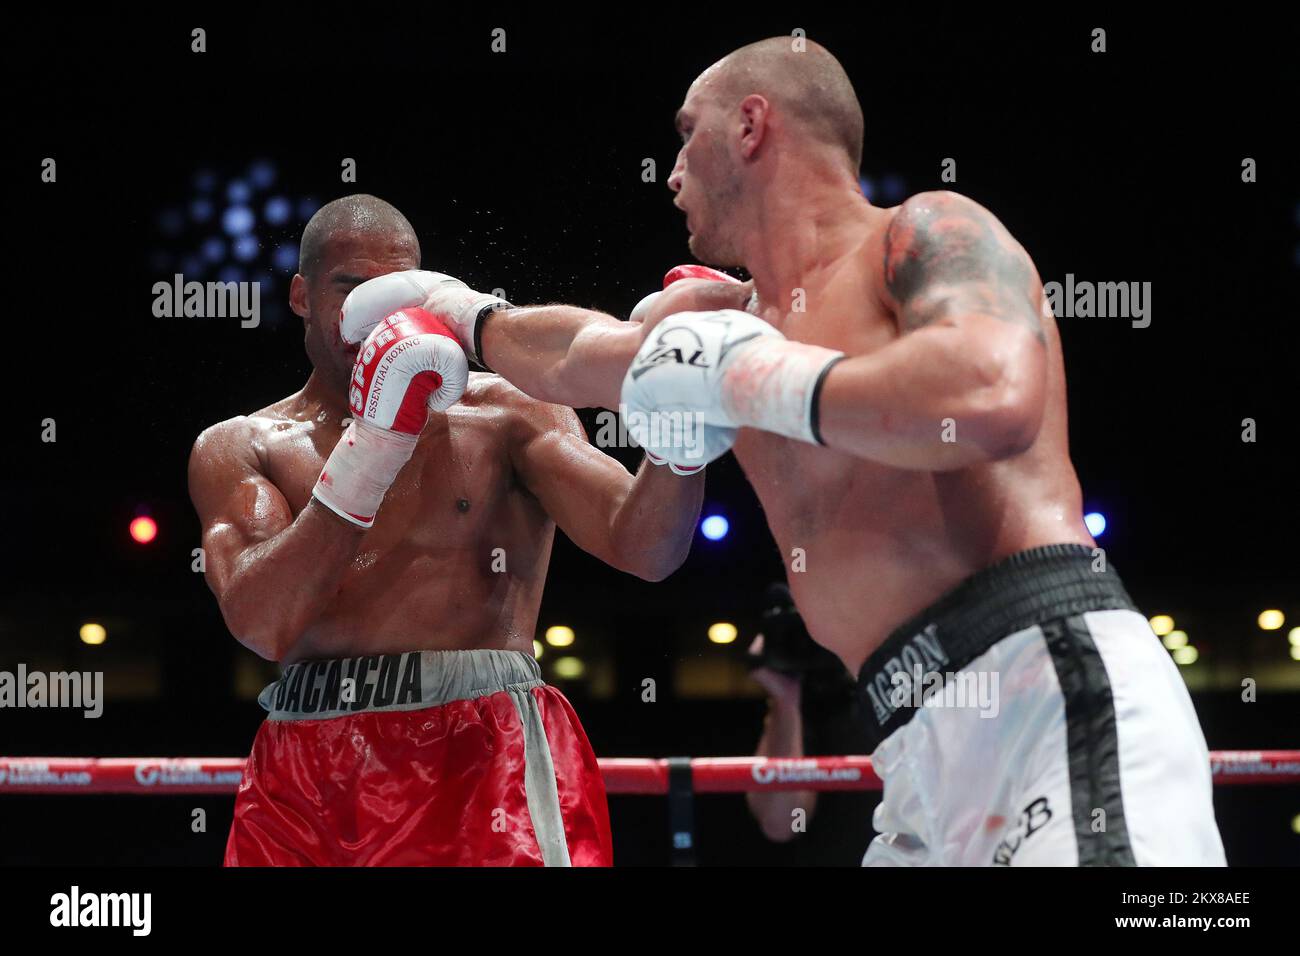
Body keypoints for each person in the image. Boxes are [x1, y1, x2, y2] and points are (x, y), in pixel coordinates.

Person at [361, 39, 1226, 865]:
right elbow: (578, 357)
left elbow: (989, 393)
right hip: (912, 749)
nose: (668, 173)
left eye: (685, 132)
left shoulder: (921, 233)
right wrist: (458, 308)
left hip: (1044, 684)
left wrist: (756, 377)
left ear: (751, 125)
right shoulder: (715, 321)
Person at [187, 194, 705, 865]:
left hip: (480, 756)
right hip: (306, 771)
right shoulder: (243, 445)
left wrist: (684, 430)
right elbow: (262, 622)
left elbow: (647, 549)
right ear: (300, 296)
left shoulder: (506, 412)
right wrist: (375, 446)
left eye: (393, 290)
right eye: (349, 289)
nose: (371, 313)